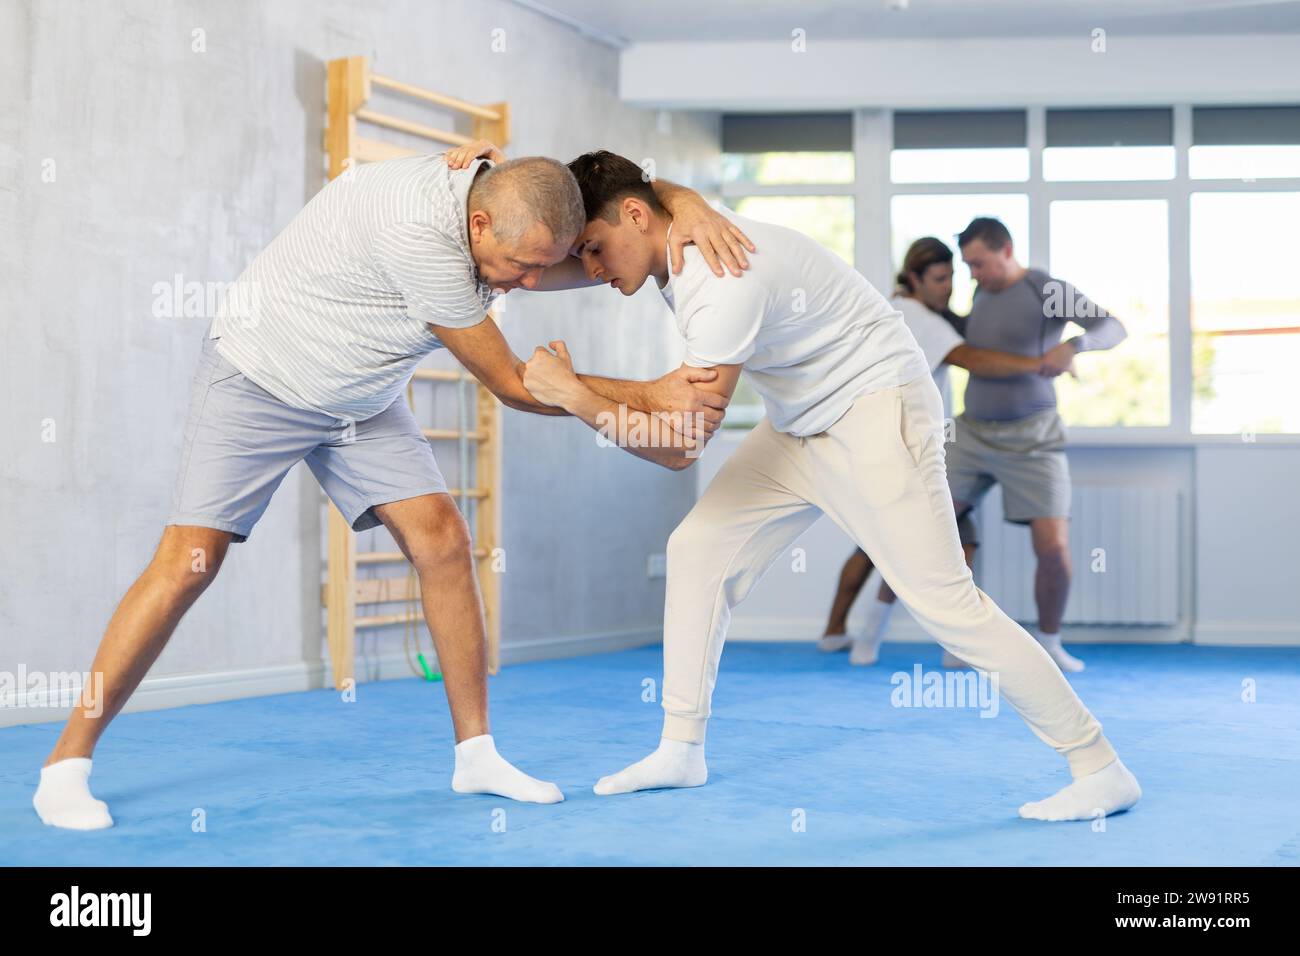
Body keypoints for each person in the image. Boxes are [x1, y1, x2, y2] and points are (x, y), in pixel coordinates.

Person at [33, 147, 752, 829]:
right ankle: (65, 765)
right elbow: (515, 385)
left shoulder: (511, 208)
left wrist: (681, 202)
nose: (532, 283)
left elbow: (614, 209)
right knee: (190, 561)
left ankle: (477, 756)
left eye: (545, 265)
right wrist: (653, 392)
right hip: (263, 377)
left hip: (360, 394)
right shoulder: (421, 239)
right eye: (522, 268)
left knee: (443, 540)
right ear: (477, 225)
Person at [521, 151, 1141, 821]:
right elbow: (549, 262)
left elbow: (680, 448)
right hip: (800, 420)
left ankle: (1099, 767)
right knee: (698, 547)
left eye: (593, 250)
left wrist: (577, 395)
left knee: (948, 607)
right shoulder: (670, 226)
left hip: (875, 409)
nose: (588, 269)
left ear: (638, 217)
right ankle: (681, 746)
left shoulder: (720, 277)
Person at [818, 237, 1074, 668]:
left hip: (906, 442)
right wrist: (1041, 365)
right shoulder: (919, 318)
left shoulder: (905, 308)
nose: (949, 287)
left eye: (953, 276)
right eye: (939, 279)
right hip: (903, 447)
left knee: (940, 541)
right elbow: (972, 357)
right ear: (914, 278)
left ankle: (857, 634)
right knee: (900, 542)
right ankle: (872, 636)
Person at [946, 217, 1128, 673]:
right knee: (937, 532)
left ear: (1006, 249)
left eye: (980, 263)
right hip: (972, 433)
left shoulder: (1045, 288)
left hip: (1034, 438)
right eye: (968, 265)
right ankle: (960, 641)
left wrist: (1074, 346)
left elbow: (1113, 327)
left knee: (1052, 546)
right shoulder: (980, 292)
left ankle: (1049, 642)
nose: (973, 273)